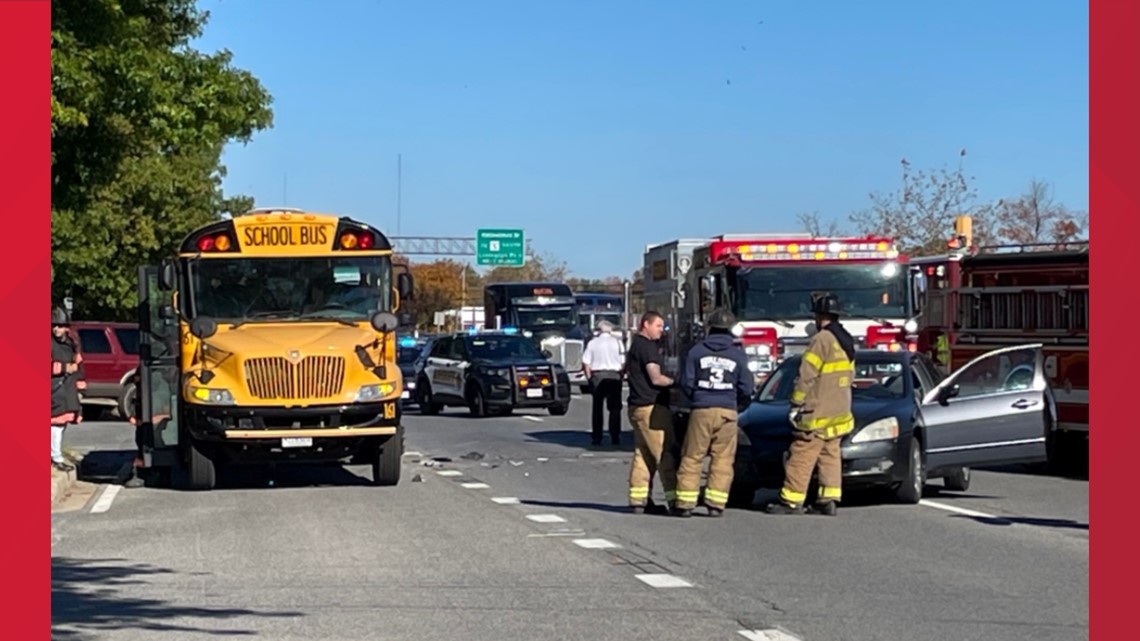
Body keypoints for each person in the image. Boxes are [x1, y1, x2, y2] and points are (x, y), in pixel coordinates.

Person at [766, 292, 857, 516]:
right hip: (840, 409)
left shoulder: (821, 339)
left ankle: (790, 501)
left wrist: (796, 403)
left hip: (817, 409)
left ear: (819, 316)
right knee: (830, 454)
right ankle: (828, 500)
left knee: (802, 453)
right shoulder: (846, 339)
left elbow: (807, 375)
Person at [674, 309, 754, 517]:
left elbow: (686, 382)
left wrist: (698, 397)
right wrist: (735, 400)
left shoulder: (696, 351)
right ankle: (716, 504)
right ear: (730, 329)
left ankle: (685, 503)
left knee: (692, 455)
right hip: (728, 410)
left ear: (710, 327)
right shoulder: (737, 353)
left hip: (701, 409)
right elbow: (747, 386)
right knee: (723, 458)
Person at [624, 311, 677, 514]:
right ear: (646, 324)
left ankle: (639, 500)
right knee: (664, 455)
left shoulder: (636, 346)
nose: (661, 330)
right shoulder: (647, 347)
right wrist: (676, 383)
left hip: (636, 407)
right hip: (651, 407)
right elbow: (656, 378)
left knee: (643, 455)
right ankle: (675, 501)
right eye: (658, 326)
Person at [581, 319, 625, 446]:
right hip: (614, 375)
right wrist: (621, 375)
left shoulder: (593, 343)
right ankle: (615, 435)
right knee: (615, 408)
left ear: (598, 330)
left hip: (598, 375)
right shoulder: (617, 342)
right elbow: (623, 361)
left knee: (597, 408)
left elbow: (586, 362)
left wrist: (589, 377)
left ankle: (597, 437)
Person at [50, 307, 84, 472]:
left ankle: (55, 454)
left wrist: (80, 381)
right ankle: (55, 457)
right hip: (54, 389)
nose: (56, 328)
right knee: (54, 425)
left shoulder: (72, 343)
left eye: (60, 325)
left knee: (62, 424)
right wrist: (64, 368)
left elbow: (79, 363)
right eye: (54, 325)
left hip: (67, 389)